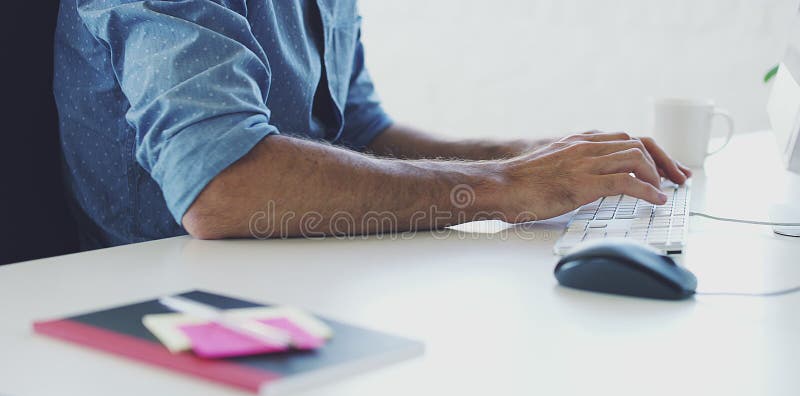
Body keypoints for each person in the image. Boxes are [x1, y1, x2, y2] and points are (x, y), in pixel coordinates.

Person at [55, 0, 690, 248]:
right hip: (154, 312)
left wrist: (529, 155)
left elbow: (357, 128)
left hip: (288, 275)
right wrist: (505, 186)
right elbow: (222, 189)